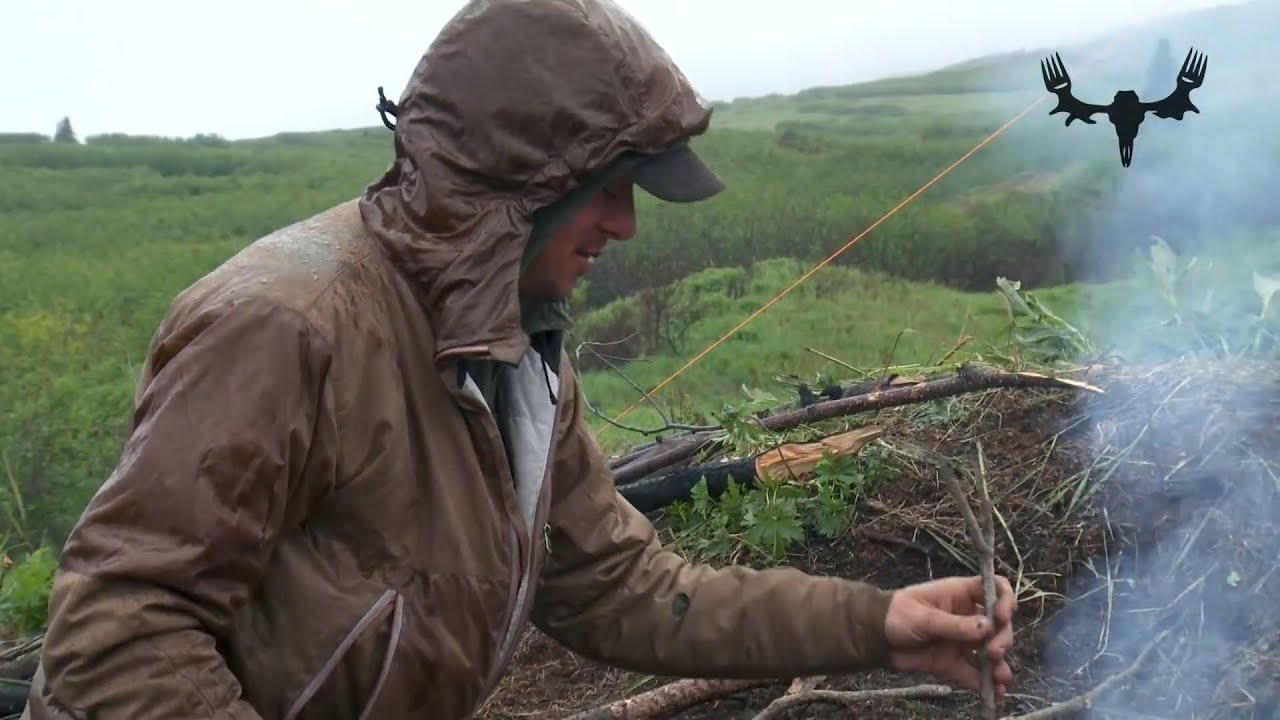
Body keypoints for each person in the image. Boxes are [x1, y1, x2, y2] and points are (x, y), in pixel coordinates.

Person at [23, 1, 1017, 718]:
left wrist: (874, 624)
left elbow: (620, 589)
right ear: (512, 183)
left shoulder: (513, 337)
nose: (625, 225)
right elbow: (121, 626)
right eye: (609, 186)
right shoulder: (288, 325)